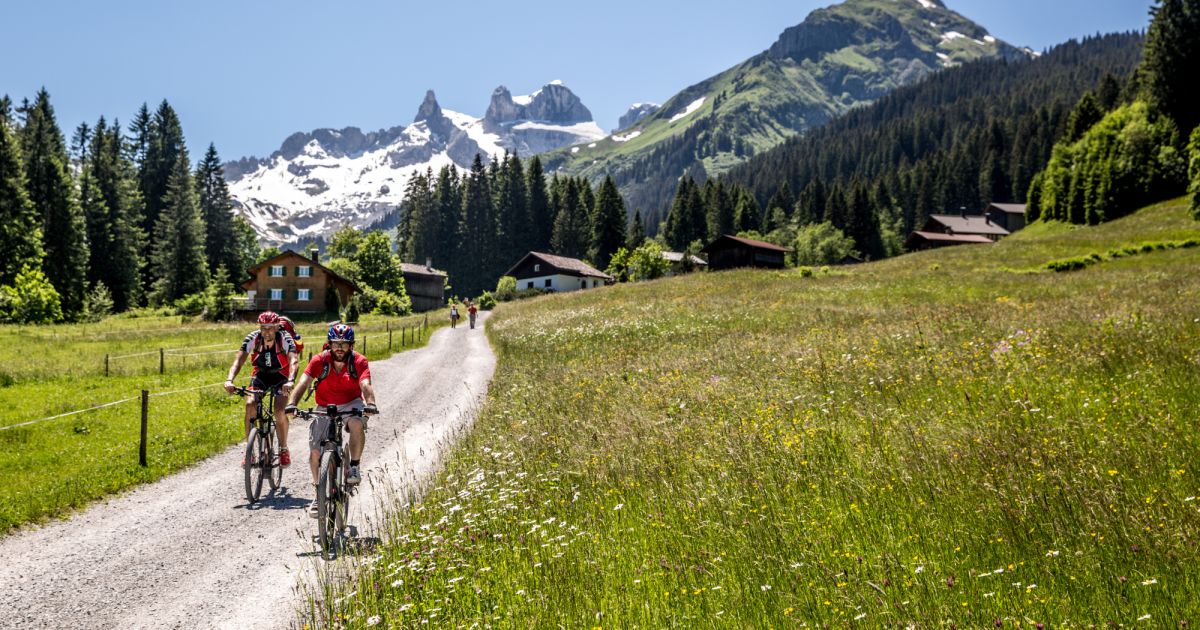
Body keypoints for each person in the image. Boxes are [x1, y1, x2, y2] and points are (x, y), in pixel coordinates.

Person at [286, 323, 378, 518]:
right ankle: (318, 495)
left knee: (355, 424)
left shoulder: (359, 361)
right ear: (329, 344)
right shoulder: (320, 360)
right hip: (325, 406)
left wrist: (370, 403)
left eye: (344, 344)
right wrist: (292, 403)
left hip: (351, 403)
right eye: (336, 343)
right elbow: (304, 381)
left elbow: (365, 383)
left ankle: (353, 467)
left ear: (351, 345)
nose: (339, 348)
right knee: (314, 454)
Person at [224, 311, 299, 467]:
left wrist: (291, 380)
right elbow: (238, 361)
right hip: (260, 375)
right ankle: (250, 452)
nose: (267, 332)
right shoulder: (253, 338)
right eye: (263, 328)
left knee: (279, 411)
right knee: (250, 405)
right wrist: (229, 380)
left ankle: (284, 449)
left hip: (282, 377)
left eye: (271, 328)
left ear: (277, 327)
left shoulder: (285, 338)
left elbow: (294, 361)